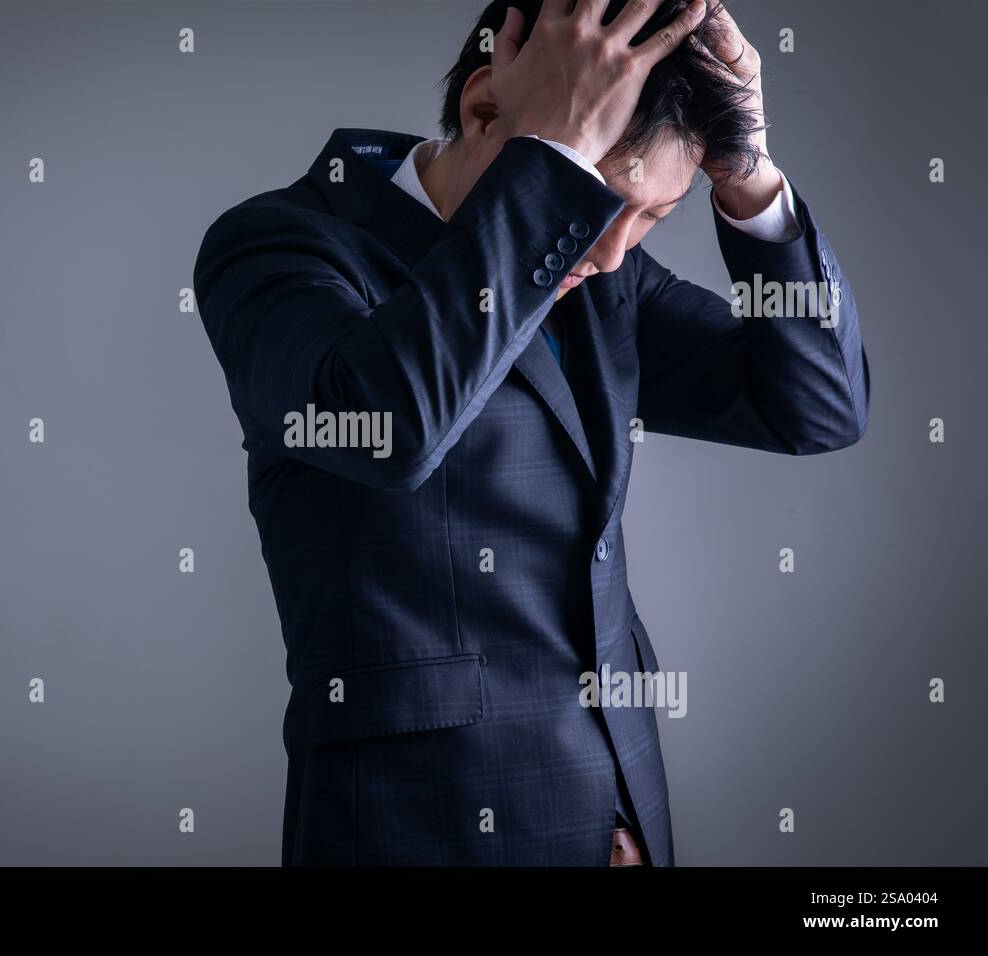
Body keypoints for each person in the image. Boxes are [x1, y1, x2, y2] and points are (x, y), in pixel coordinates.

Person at [193, 0, 869, 866]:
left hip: (624, 810)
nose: (618, 253)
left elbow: (817, 404)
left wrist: (750, 176)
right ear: (484, 112)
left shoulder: (603, 280)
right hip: (418, 828)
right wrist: (552, 166)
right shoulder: (281, 247)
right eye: (602, 200)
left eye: (653, 218)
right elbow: (385, 427)